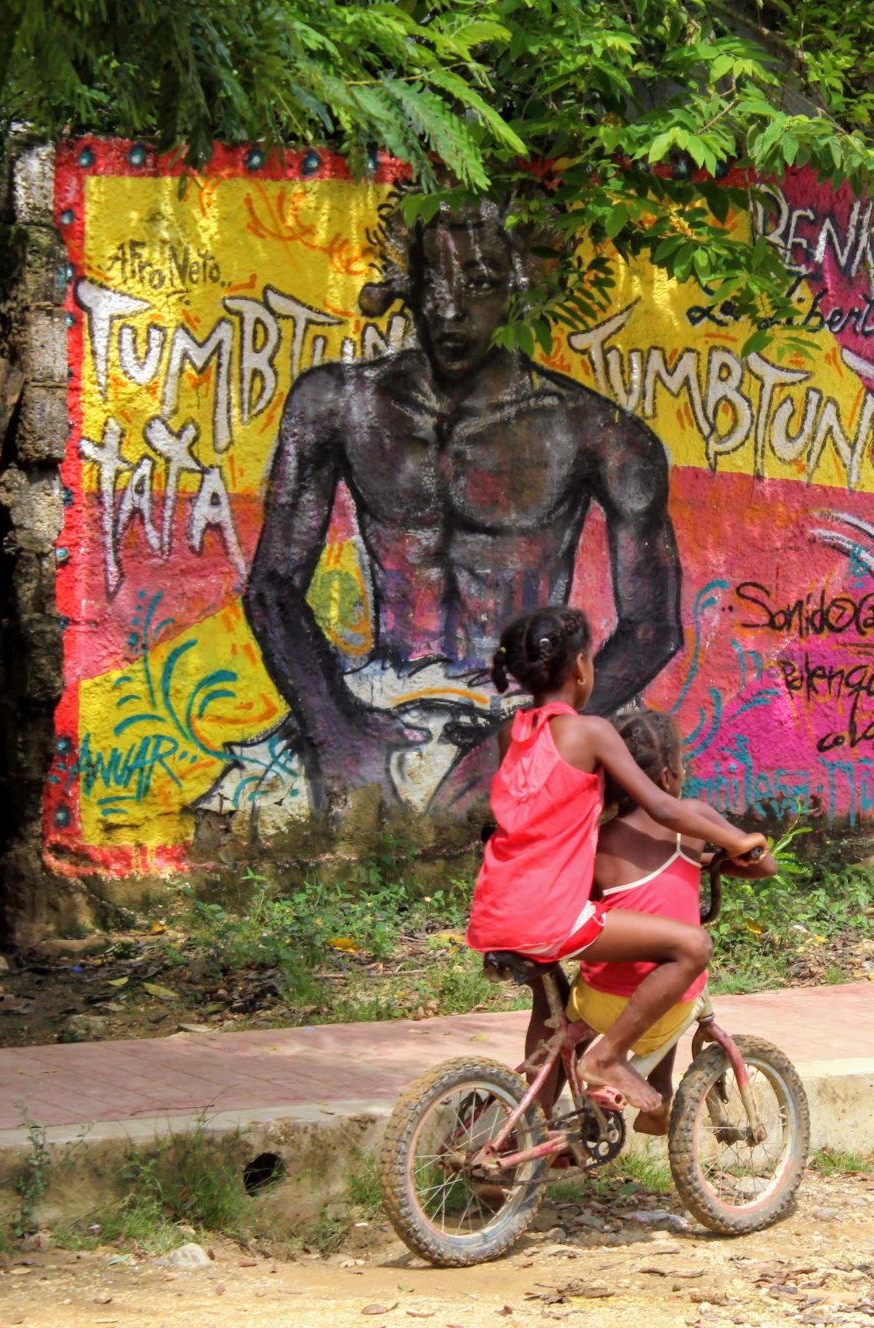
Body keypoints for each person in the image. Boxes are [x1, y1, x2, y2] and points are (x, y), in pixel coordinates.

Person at [201, 196, 682, 830]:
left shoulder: (597, 432)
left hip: (526, 701)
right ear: (408, 287)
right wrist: (338, 728)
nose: (451, 309)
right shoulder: (337, 404)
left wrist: (527, 736)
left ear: (522, 286)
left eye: (479, 283)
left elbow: (652, 626)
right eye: (433, 282)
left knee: (622, 816)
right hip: (373, 696)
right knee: (228, 818)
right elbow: (273, 589)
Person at [466, 606, 766, 1114]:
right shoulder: (590, 733)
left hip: (497, 910)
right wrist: (736, 842)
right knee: (693, 944)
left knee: (551, 1000)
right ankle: (607, 1057)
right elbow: (662, 805)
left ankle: (527, 1129)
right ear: (581, 667)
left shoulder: (510, 734)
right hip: (550, 913)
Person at [575, 708, 779, 1134]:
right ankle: (658, 1095)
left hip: (596, 1002)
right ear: (669, 775)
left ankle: (569, 1118)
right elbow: (763, 867)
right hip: (662, 1010)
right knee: (674, 981)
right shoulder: (693, 818)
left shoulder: (598, 838)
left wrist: (703, 861)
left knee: (632, 980)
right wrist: (733, 847)